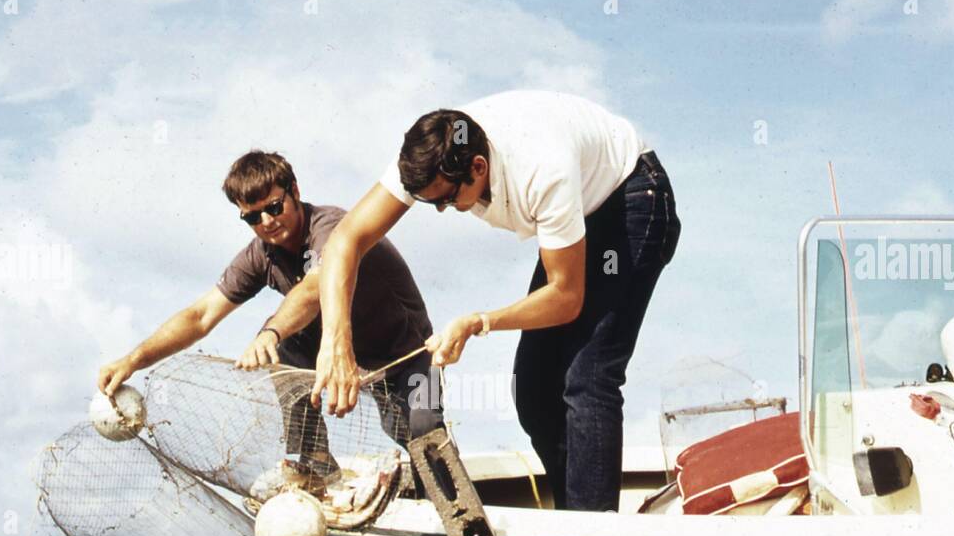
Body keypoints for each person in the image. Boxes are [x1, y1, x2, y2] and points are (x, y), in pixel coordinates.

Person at [309, 91, 680, 511]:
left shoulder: (543, 170)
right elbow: (346, 240)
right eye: (429, 203)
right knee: (534, 392)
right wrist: (335, 343)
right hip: (582, 210)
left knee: (588, 375)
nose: (442, 211)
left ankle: (594, 527)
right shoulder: (431, 151)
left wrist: (479, 322)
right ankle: (572, 513)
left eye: (446, 199)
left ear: (478, 167)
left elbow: (566, 296)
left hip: (631, 200)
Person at [97, 151, 444, 482]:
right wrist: (133, 360)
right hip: (340, 356)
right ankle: (316, 465)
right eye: (252, 217)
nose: (266, 222)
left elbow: (314, 290)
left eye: (274, 207)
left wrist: (270, 331)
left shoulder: (331, 227)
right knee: (288, 347)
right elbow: (200, 316)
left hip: (408, 356)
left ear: (294, 191)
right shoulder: (261, 254)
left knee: (422, 437)